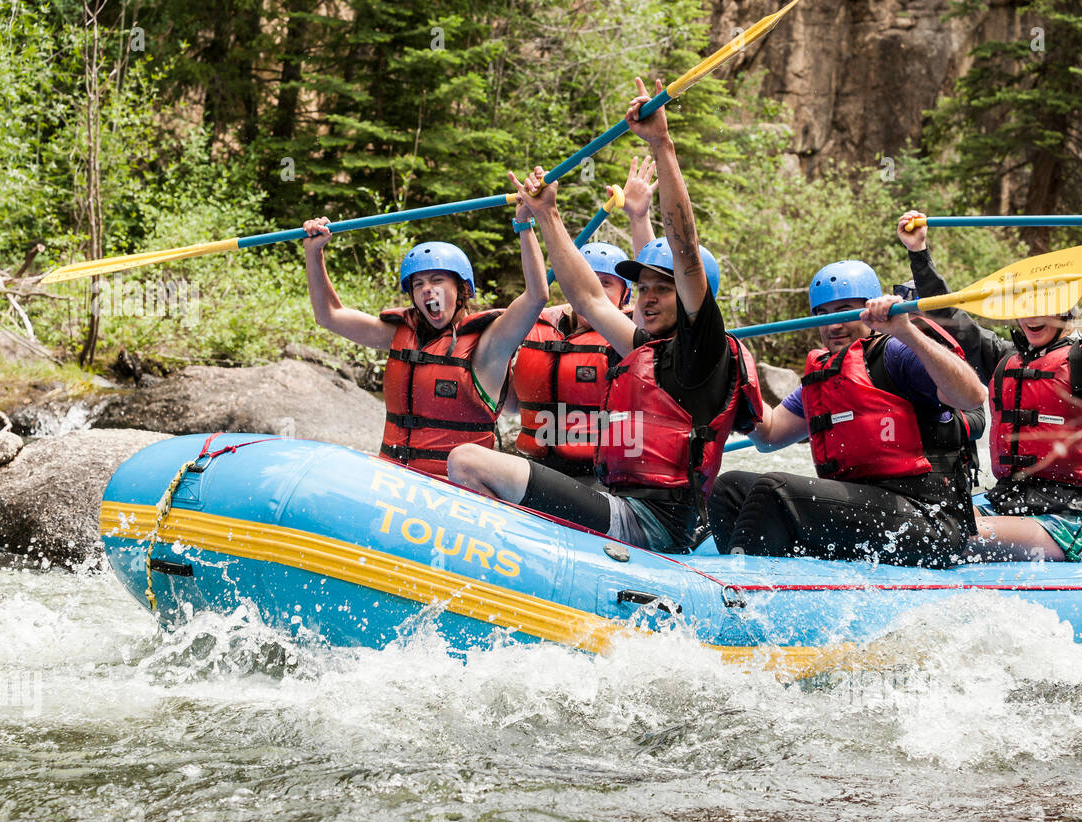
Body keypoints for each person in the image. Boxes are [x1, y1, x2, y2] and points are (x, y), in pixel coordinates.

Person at [446, 77, 762, 553]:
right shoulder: (645, 349)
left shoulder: (704, 351)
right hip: (617, 502)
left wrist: (661, 144)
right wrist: (547, 215)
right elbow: (590, 298)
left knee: (468, 462)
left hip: (654, 524)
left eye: (663, 290)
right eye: (642, 289)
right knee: (473, 462)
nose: (647, 299)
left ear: (694, 298)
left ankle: (517, 565)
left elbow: (686, 250)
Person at [895, 199, 1082, 561]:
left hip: (1067, 520)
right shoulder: (1002, 357)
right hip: (1007, 504)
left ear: (1063, 309)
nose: (1032, 316)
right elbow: (948, 316)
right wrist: (919, 253)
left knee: (948, 534)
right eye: (1024, 305)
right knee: (920, 523)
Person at [709, 259, 988, 566]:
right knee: (729, 487)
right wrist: (735, 383)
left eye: (843, 311)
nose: (833, 325)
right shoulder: (827, 377)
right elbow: (770, 434)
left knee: (774, 490)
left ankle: (742, 586)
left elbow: (972, 395)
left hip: (927, 518)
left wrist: (906, 332)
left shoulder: (895, 353)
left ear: (870, 310)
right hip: (864, 508)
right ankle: (757, 577)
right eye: (823, 315)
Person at [301, 169, 549, 476]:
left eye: (437, 280)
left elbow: (536, 295)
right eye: (418, 284)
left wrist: (524, 224)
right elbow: (329, 316)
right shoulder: (398, 335)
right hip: (394, 478)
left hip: (456, 491)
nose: (427, 289)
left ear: (462, 290)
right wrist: (314, 254)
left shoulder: (489, 345)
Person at [507, 158, 661, 480]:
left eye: (606, 284)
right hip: (539, 465)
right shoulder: (542, 326)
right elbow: (508, 406)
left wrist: (639, 217)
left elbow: (657, 283)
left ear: (625, 298)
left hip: (601, 477)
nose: (596, 292)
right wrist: (525, 226)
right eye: (589, 281)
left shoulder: (635, 335)